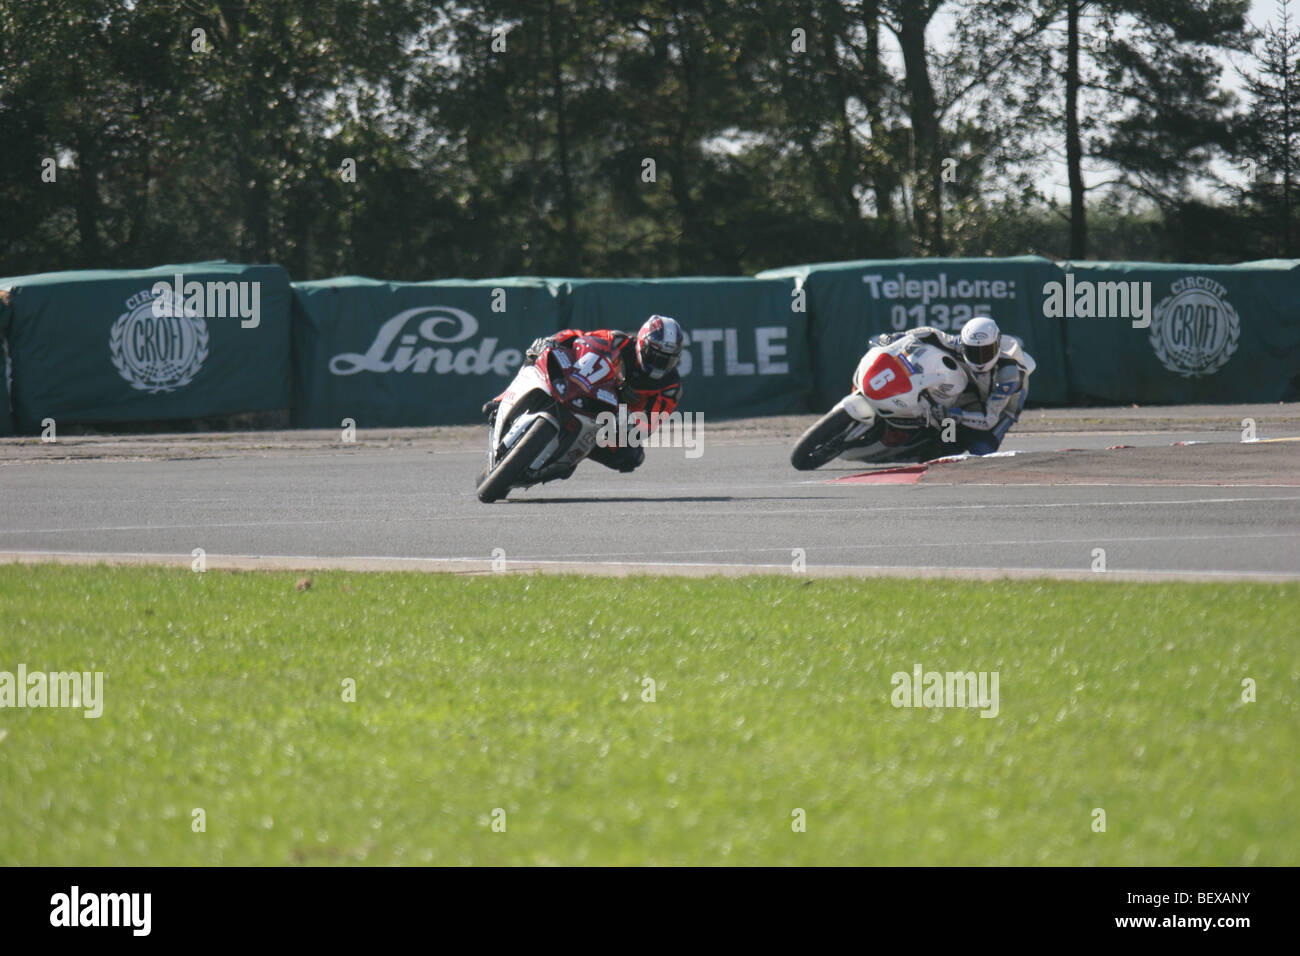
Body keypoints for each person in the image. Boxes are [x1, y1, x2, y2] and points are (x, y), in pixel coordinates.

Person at [482, 314, 684, 474]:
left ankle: (571, 456)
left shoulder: (670, 388)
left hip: (610, 419)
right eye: (655, 356)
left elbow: (648, 425)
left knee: (632, 457)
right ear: (642, 343)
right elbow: (580, 338)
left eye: (667, 360)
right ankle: (502, 399)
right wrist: (553, 341)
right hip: (584, 387)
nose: (659, 365)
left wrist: (628, 420)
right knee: (536, 355)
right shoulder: (618, 341)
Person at [870, 316, 1035, 455]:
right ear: (964, 345)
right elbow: (932, 334)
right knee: (944, 431)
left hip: (1002, 407)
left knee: (982, 450)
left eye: (986, 352)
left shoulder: (1009, 375)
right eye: (972, 352)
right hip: (973, 388)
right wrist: (899, 337)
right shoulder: (959, 344)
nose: (979, 359)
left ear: (997, 345)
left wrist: (952, 414)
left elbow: (988, 420)